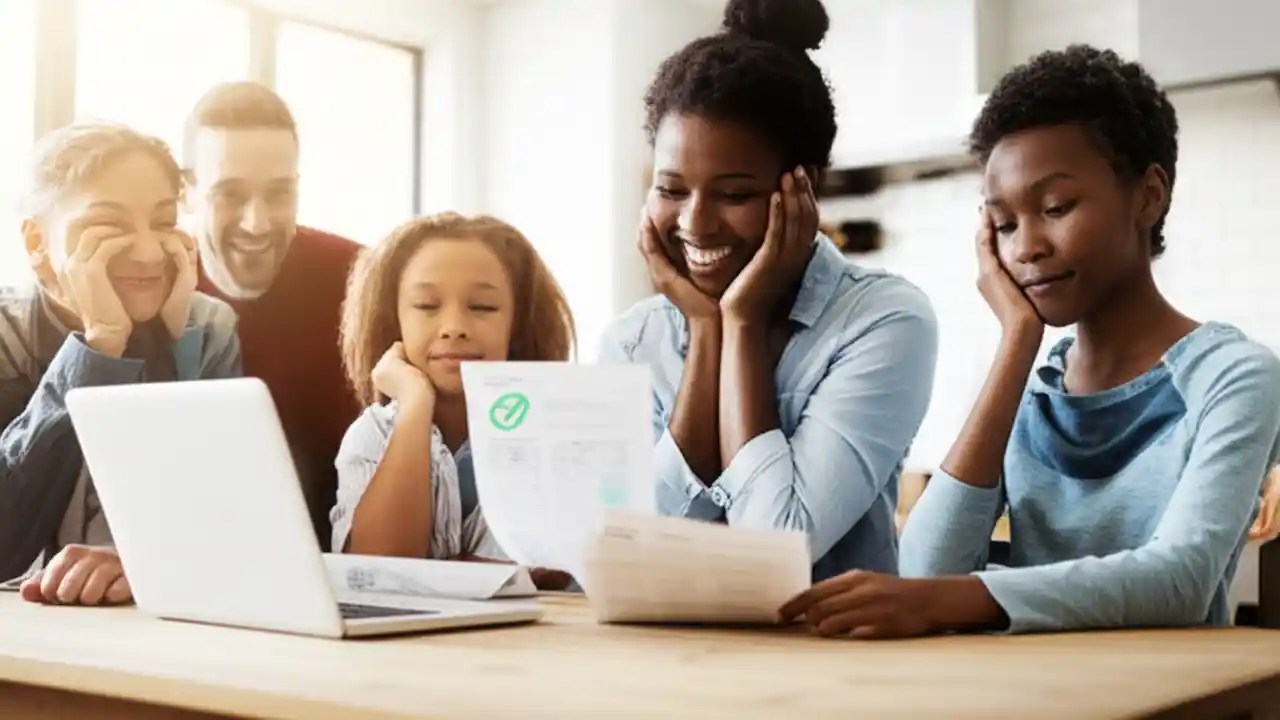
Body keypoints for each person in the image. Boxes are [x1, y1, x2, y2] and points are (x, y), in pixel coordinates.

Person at [780, 45, 1280, 637]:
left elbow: (1180, 581)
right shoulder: (1030, 390)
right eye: (1005, 223)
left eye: (1055, 207)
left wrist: (951, 600)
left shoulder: (1235, 376)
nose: (1025, 248)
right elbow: (922, 570)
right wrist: (1018, 340)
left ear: (1149, 195)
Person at [598, 0, 938, 582]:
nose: (696, 224)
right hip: (663, 659)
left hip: (835, 662)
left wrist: (744, 324)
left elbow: (774, 544)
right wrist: (708, 331)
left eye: (733, 195)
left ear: (802, 189)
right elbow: (629, 551)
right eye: (671, 189)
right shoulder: (634, 341)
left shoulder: (884, 321)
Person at [0, 123, 240, 605]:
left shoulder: (206, 329)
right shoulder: (8, 337)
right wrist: (100, 345)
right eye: (110, 227)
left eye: (164, 221)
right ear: (36, 242)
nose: (150, 252)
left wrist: (175, 356)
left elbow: (223, 524)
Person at [332, 213, 575, 590]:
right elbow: (377, 575)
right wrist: (414, 404)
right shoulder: (372, 435)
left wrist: (436, 575)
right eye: (427, 306)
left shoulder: (551, 435)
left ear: (518, 325)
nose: (454, 326)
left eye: (482, 307)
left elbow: (539, 573)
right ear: (394, 320)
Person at [184, 82, 361, 548]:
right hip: (196, 553)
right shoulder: (153, 286)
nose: (257, 223)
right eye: (230, 195)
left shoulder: (363, 279)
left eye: (279, 194)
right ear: (187, 193)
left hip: (340, 561)